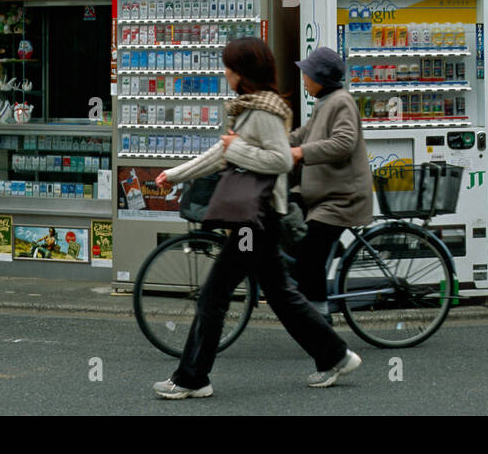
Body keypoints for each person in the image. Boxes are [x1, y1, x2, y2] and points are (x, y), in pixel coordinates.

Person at [151, 37, 360, 399]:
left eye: (229, 67)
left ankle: (192, 378)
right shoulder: (252, 108)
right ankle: (335, 354)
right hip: (261, 219)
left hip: (256, 219)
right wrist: (175, 174)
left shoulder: (264, 111)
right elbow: (221, 153)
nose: (226, 73)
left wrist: (239, 148)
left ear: (243, 72)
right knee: (280, 294)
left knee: (214, 296)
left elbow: (279, 160)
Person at [288, 47, 374, 317]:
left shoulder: (341, 101)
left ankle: (319, 317)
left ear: (320, 77)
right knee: (283, 215)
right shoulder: (324, 102)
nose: (303, 78)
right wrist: (270, 146)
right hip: (321, 195)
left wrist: (302, 153)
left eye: (307, 74)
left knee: (309, 257)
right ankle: (331, 246)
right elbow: (302, 135)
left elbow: (344, 143)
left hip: (341, 199)